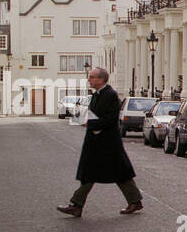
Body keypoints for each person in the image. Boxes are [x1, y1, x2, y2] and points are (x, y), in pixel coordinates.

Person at [57, 67, 143, 217]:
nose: (89, 79)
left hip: (107, 142)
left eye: (92, 77)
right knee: (115, 172)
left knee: (106, 173)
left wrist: (89, 124)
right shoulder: (97, 94)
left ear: (101, 80)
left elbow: (110, 119)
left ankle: (76, 205)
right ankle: (134, 201)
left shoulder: (110, 95)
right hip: (97, 140)